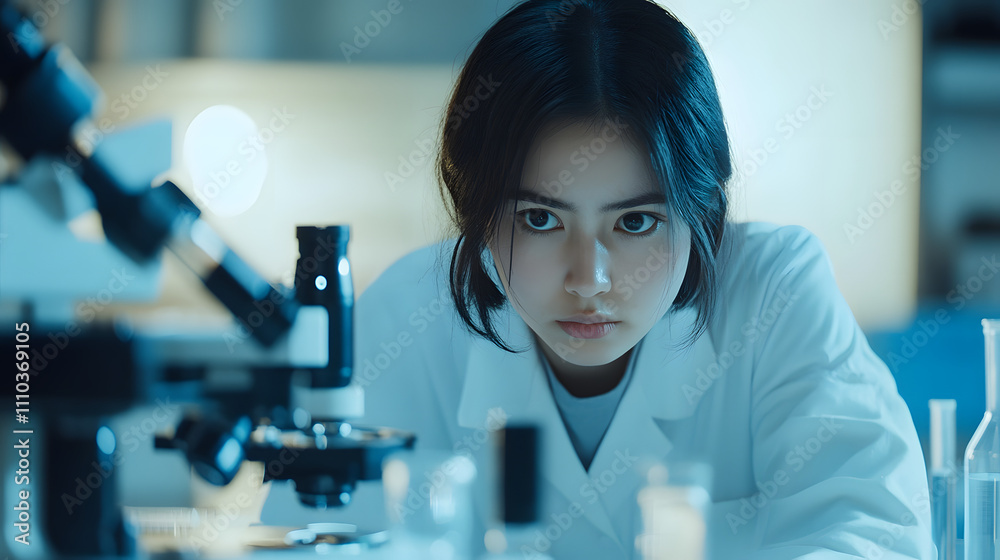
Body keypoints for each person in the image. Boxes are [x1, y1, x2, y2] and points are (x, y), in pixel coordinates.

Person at [355, 0, 934, 558]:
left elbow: (880, 533)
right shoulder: (407, 316)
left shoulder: (773, 292)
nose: (589, 280)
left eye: (635, 222)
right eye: (540, 219)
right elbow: (313, 538)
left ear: (700, 210)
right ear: (476, 213)